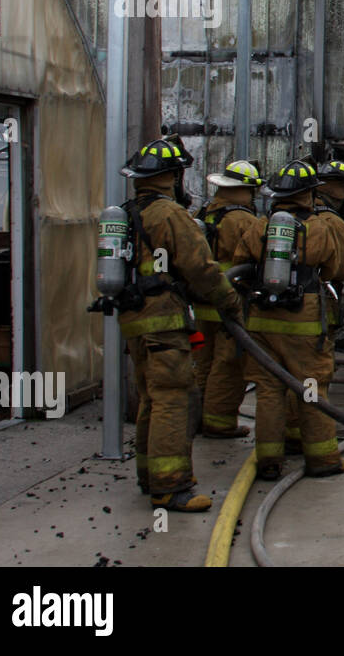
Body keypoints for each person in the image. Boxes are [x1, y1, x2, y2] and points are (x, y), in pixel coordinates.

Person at [115, 137, 245, 512]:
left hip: (135, 319)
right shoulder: (169, 214)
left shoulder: (128, 212)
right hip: (164, 320)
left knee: (152, 398)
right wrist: (229, 302)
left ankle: (149, 475)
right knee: (175, 398)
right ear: (171, 175)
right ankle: (172, 487)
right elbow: (201, 269)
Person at [231, 160, 344, 480]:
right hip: (302, 318)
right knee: (311, 387)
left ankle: (269, 461)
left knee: (268, 389)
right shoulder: (322, 227)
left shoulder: (259, 226)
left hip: (261, 318)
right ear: (309, 194)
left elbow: (240, 265)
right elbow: (341, 269)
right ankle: (323, 459)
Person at [282, 158, 344, 455]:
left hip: (272, 313)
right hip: (313, 312)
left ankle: (286, 439)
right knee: (314, 378)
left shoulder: (282, 216)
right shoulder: (331, 223)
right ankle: (321, 454)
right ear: (335, 188)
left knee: (282, 379)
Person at [192, 159, 262, 438]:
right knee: (228, 364)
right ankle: (219, 423)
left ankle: (195, 418)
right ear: (245, 190)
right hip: (230, 303)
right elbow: (259, 258)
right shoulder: (244, 221)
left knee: (203, 363)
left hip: (201, 302)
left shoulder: (203, 214)